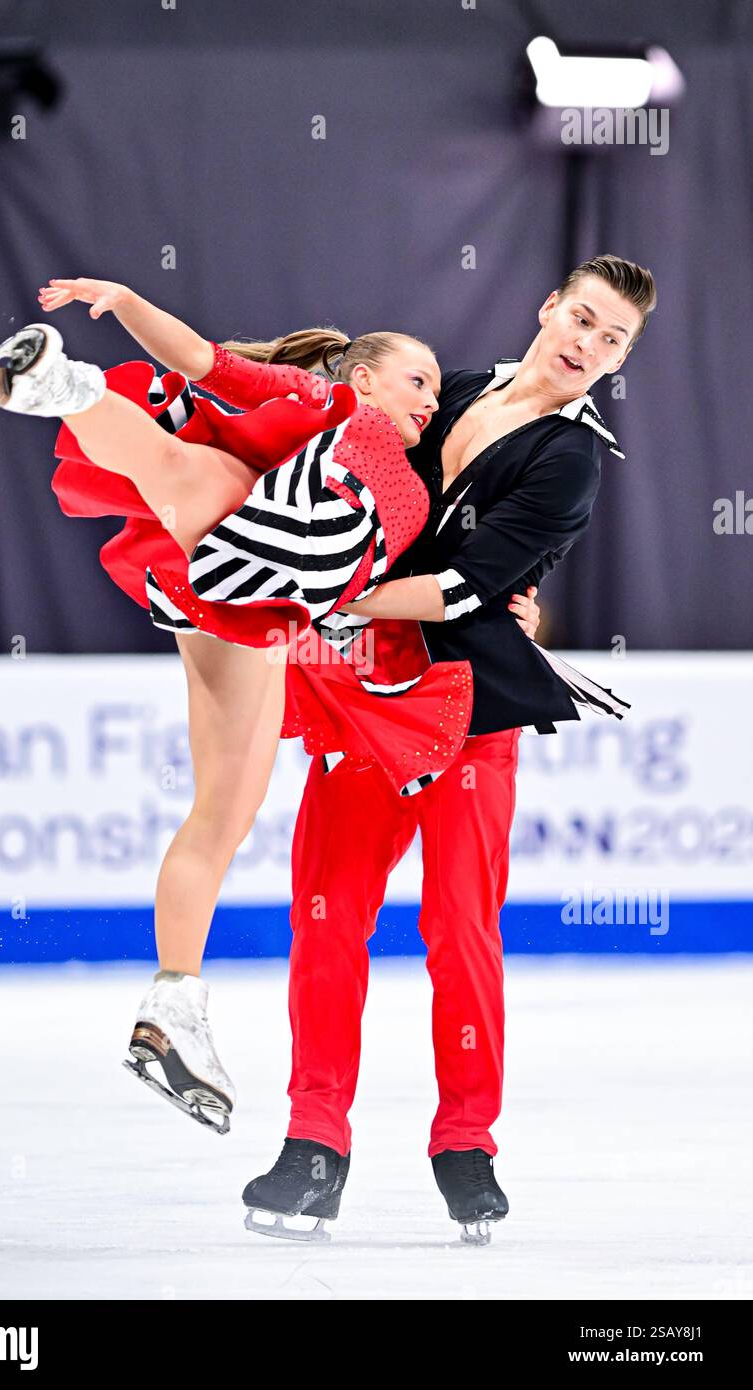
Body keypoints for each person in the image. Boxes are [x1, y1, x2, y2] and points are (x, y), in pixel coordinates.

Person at [0, 289, 539, 1134]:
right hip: (242, 563)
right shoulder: (328, 409)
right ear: (362, 379)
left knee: (225, 813)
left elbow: (416, 588)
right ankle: (62, 386)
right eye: (417, 380)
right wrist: (121, 301)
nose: (429, 400)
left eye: (437, 392)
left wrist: (500, 607)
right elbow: (203, 361)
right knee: (192, 473)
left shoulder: (400, 482)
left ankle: (173, 1006)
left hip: (231, 607)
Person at [239, 254, 654, 1244]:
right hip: (361, 700)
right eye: (582, 318)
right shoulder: (444, 385)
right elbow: (334, 469)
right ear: (547, 305)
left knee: (459, 929)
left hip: (469, 705)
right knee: (326, 918)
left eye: (612, 339)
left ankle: (464, 1144)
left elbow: (467, 590)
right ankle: (312, 1145)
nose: (585, 345)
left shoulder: (567, 458)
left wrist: (331, 596)